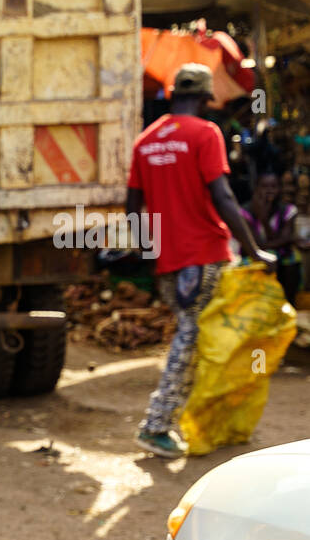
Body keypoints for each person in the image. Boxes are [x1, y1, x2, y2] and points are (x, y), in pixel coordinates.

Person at [127, 63, 270, 459]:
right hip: (203, 255)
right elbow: (223, 197)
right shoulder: (205, 134)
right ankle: (155, 426)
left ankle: (203, 420)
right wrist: (254, 249)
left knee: (197, 336)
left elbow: (133, 207)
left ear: (174, 95)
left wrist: (150, 251)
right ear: (207, 99)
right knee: (192, 337)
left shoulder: (145, 141)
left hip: (169, 261)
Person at [240, 170, 304, 305]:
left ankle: (289, 303)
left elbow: (282, 241)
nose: (269, 191)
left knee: (292, 259)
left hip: (278, 255)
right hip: (253, 255)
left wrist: (264, 221)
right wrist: (287, 239)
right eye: (264, 186)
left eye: (273, 186)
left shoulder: (288, 210)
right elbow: (254, 244)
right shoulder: (245, 212)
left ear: (280, 189)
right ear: (256, 189)